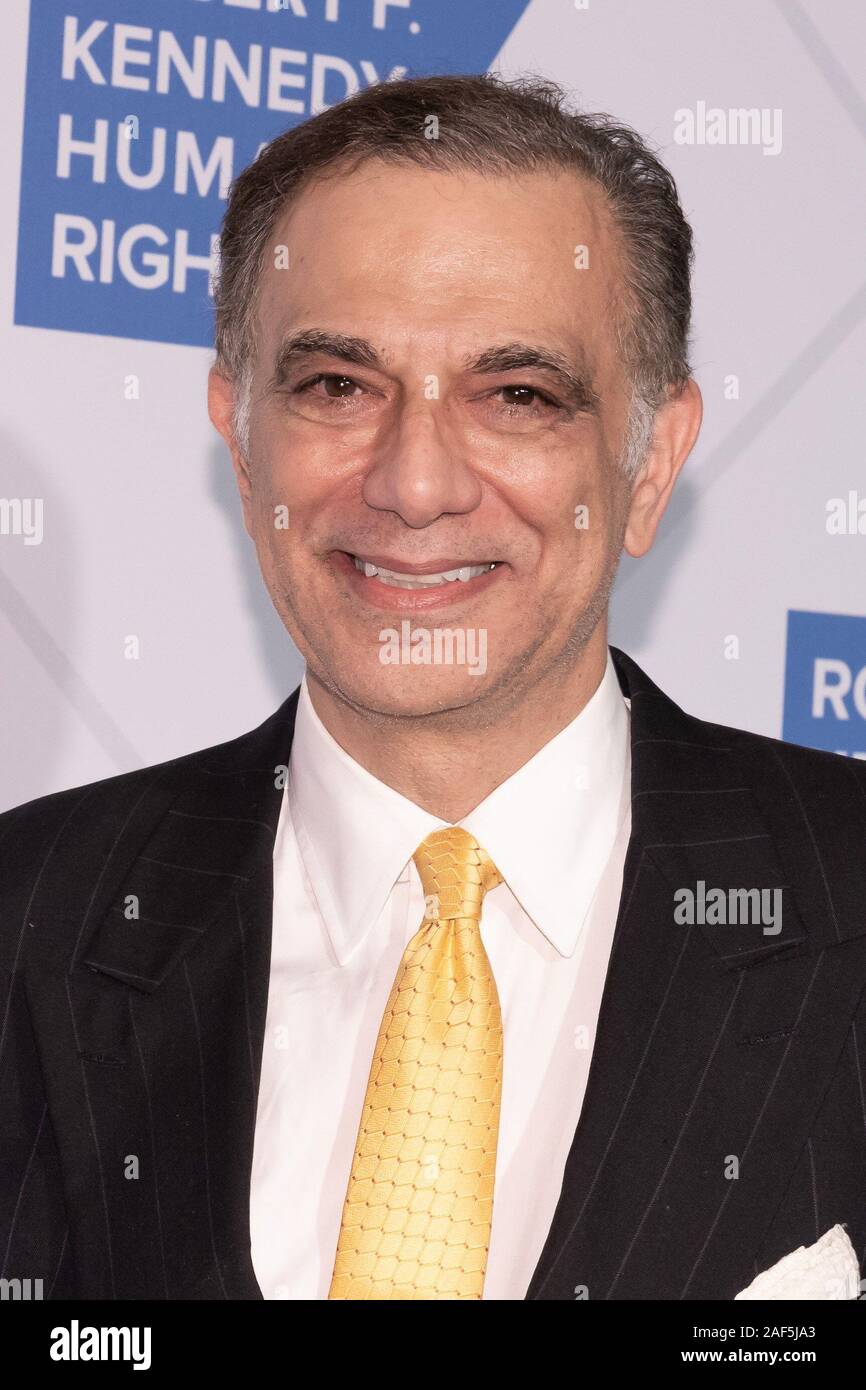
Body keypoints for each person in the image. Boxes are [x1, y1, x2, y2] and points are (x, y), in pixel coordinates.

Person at [2, 73, 865, 1302]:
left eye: (516, 395)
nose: (414, 484)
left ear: (652, 459)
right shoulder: (28, 923)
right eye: (335, 387)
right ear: (239, 440)